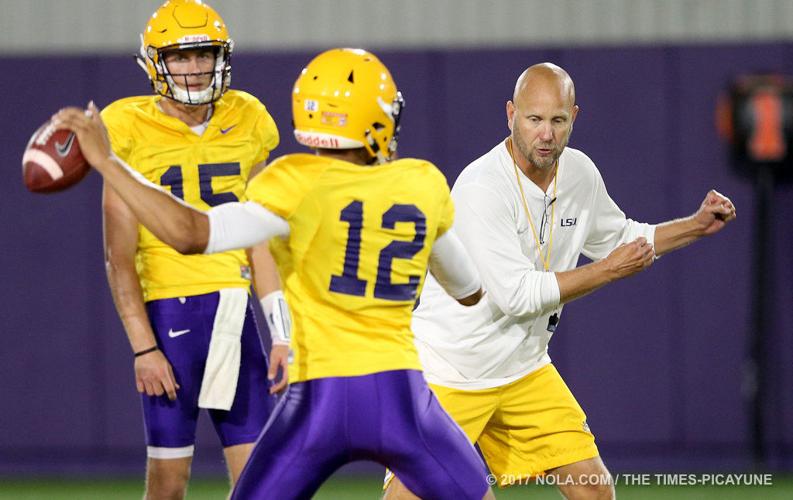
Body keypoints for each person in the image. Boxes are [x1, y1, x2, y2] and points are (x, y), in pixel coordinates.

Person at [55, 48, 496, 499]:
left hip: (318, 403)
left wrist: (109, 163)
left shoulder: (292, 182)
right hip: (402, 398)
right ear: (378, 118)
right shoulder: (421, 183)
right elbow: (469, 291)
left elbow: (189, 233)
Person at [384, 62, 737, 500]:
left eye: (557, 120)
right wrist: (607, 269)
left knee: (594, 491)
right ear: (511, 114)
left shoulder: (580, 174)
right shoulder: (481, 187)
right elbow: (516, 296)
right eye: (534, 119)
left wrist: (695, 226)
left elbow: (622, 237)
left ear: (575, 117)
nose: (545, 134)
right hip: (447, 371)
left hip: (522, 369)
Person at [99, 1, 289, 498]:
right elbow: (118, 257)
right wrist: (143, 346)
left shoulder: (248, 116)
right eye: (180, 57)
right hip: (170, 315)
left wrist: (282, 332)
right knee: (168, 481)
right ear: (153, 63)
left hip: (234, 308)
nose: (194, 67)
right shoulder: (124, 126)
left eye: (203, 54)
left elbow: (259, 240)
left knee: (258, 480)